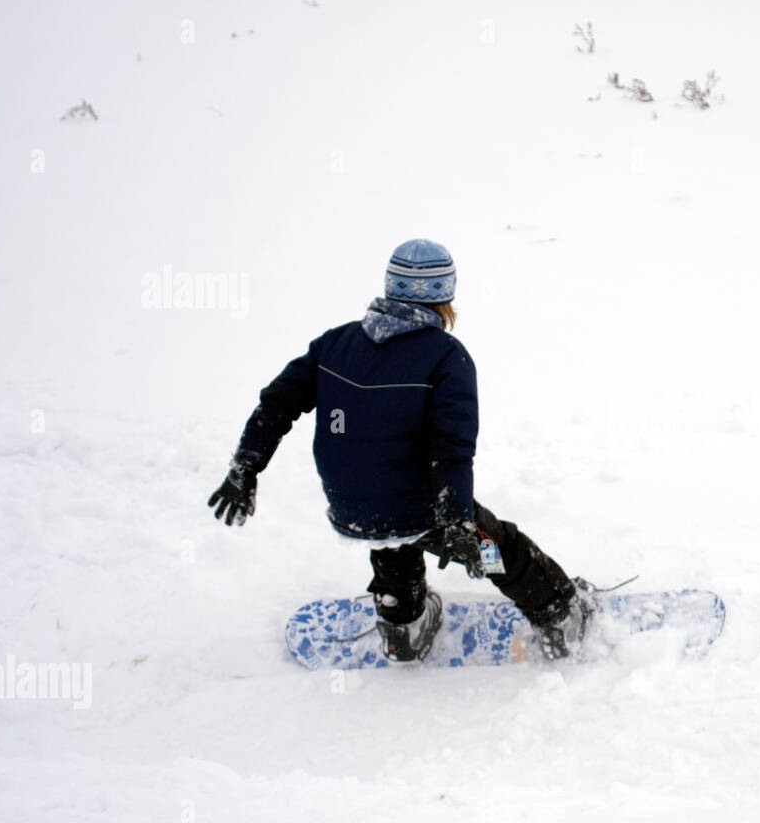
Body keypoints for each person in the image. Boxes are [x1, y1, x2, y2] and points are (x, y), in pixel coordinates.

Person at [208, 239, 595, 662]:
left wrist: (245, 468)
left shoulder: (334, 344)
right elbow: (451, 448)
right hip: (422, 506)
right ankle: (563, 614)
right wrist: (456, 521)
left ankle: (404, 627)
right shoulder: (447, 357)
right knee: (502, 549)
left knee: (392, 537)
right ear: (444, 296)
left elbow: (276, 404)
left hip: (352, 505)